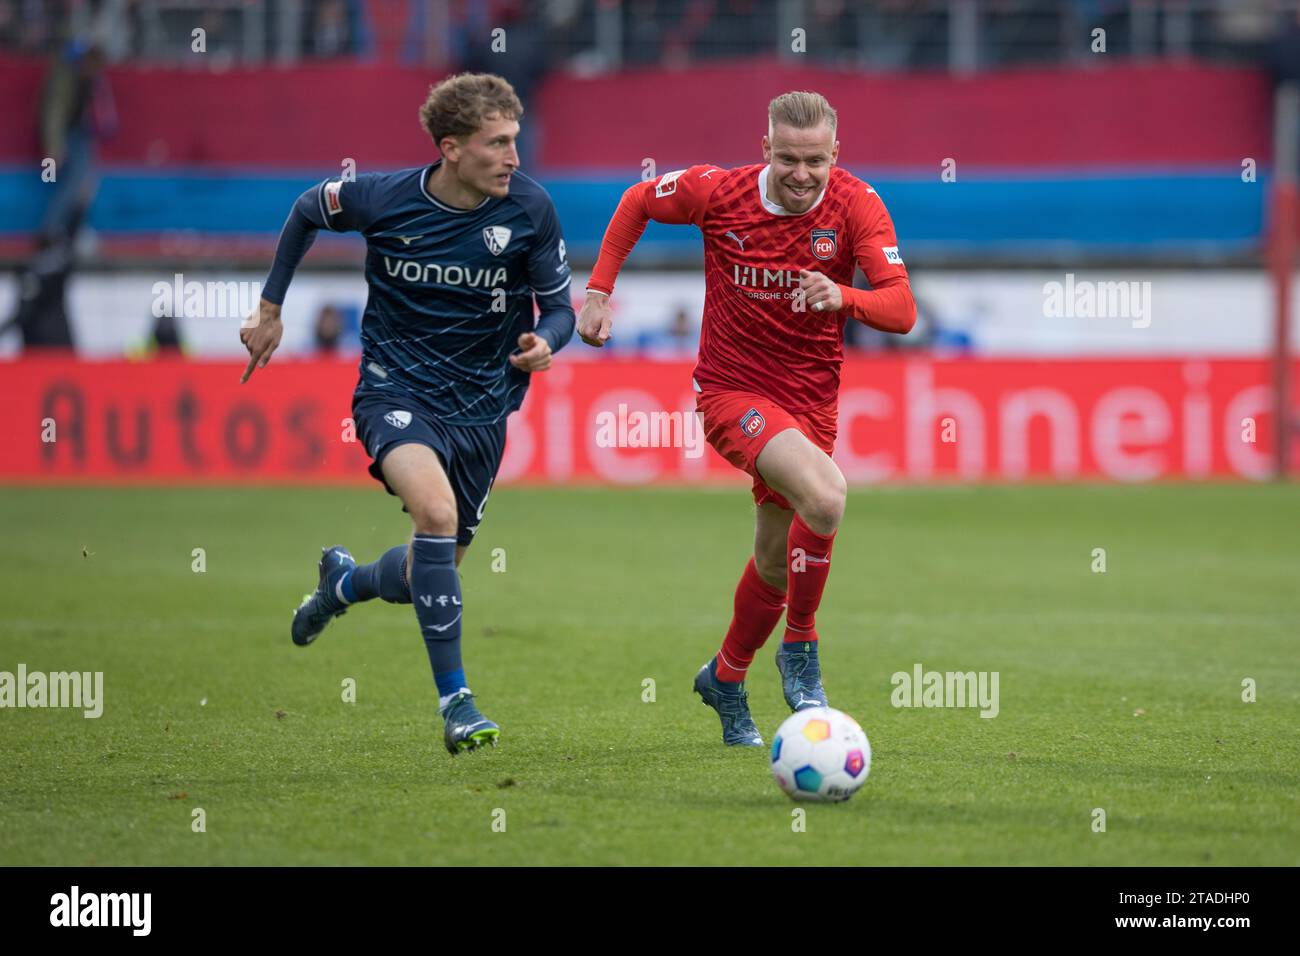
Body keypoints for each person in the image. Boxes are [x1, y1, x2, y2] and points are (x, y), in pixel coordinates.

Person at [239, 73, 575, 755]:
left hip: (484, 409)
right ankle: (457, 702)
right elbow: (308, 208)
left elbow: (561, 306)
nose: (514, 156)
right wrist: (269, 308)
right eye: (498, 143)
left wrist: (550, 341)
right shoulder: (384, 198)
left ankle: (345, 583)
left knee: (433, 565)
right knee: (437, 516)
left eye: (515, 140)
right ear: (451, 149)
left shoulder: (532, 210)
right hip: (397, 392)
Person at [578, 91, 915, 746]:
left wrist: (842, 296)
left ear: (834, 155)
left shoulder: (857, 204)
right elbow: (636, 202)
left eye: (815, 160)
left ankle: (726, 677)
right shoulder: (716, 192)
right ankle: (801, 649)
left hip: (811, 402)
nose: (801, 174)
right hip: (732, 391)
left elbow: (901, 310)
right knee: (827, 496)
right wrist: (597, 291)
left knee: (773, 561)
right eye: (788, 158)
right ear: (766, 150)